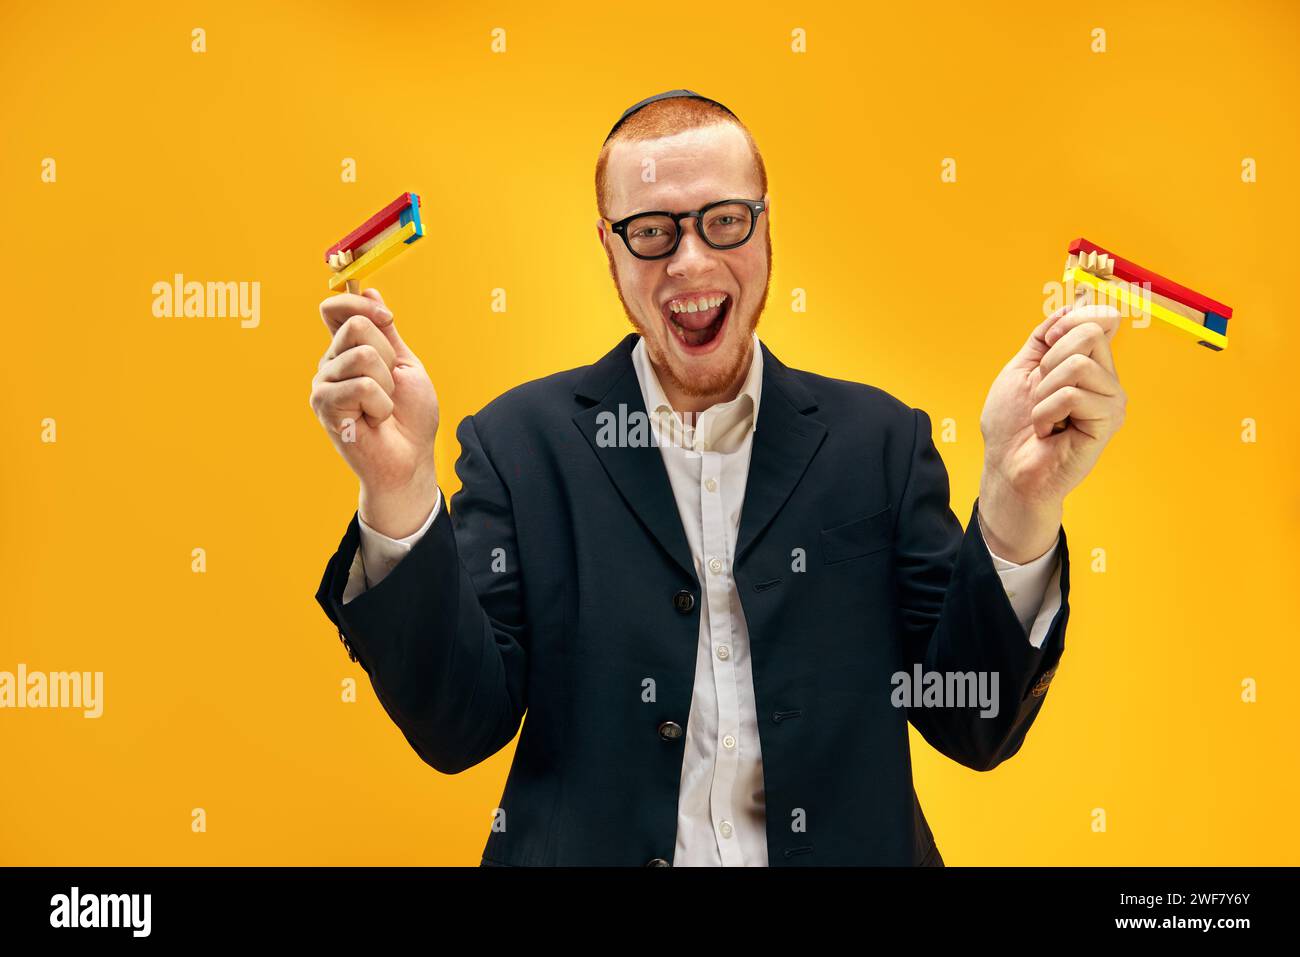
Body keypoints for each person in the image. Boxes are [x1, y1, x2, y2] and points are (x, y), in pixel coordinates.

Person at [308, 90, 1126, 866]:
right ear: (610, 248)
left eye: (725, 222)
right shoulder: (521, 445)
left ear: (767, 230)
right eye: (653, 232)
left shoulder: (879, 443)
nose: (691, 262)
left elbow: (970, 719)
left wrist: (1021, 501)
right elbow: (458, 726)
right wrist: (399, 489)